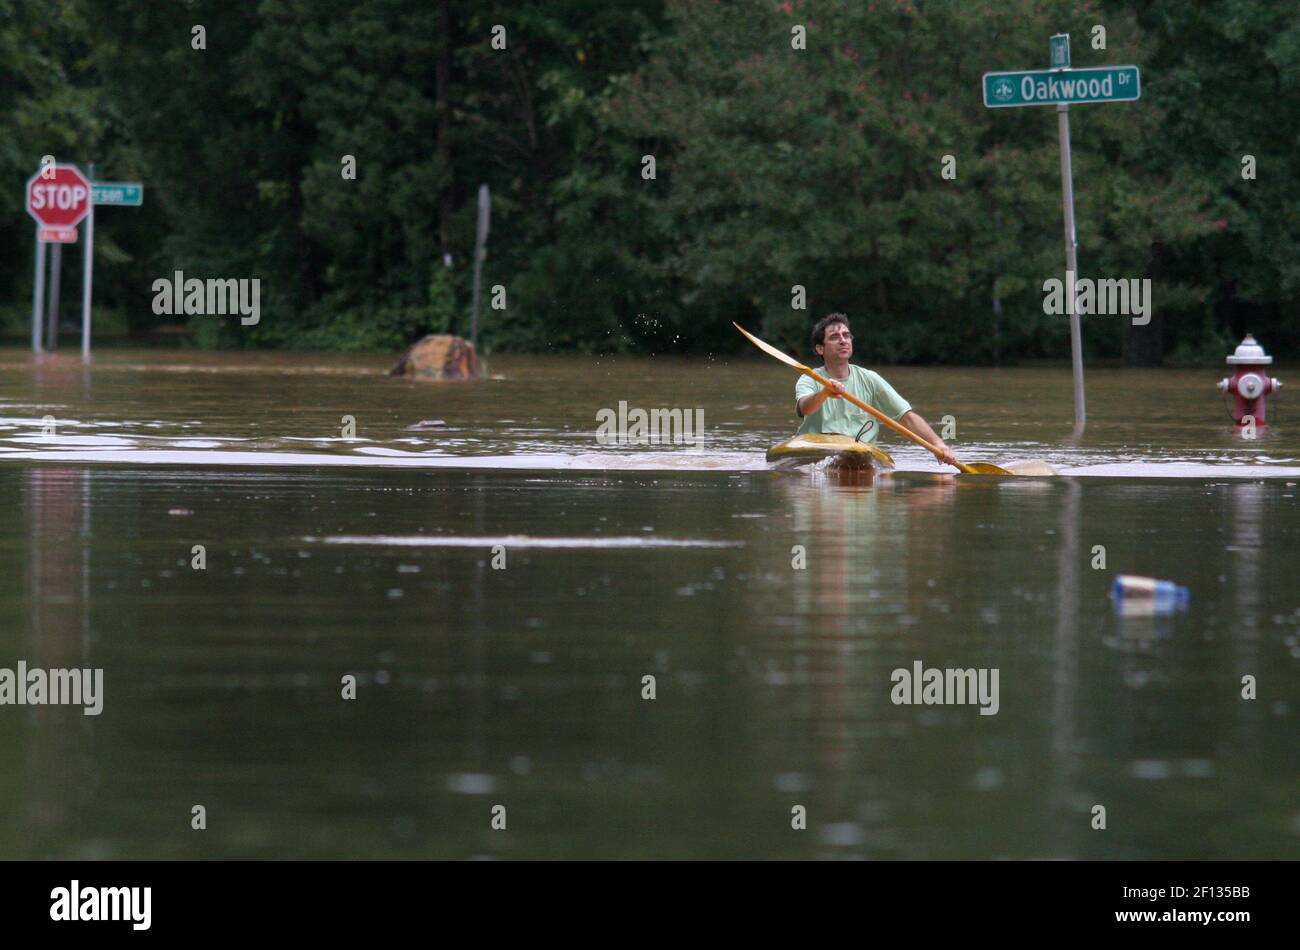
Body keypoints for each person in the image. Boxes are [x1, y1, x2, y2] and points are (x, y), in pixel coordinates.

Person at [795, 313, 959, 467]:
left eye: (846, 335)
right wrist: (824, 392)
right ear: (820, 349)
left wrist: (938, 445)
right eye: (834, 337)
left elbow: (906, 418)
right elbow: (805, 408)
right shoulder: (810, 378)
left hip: (859, 451)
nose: (843, 341)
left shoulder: (870, 379)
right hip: (816, 449)